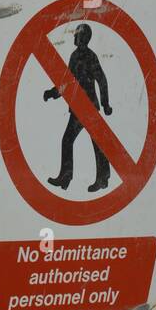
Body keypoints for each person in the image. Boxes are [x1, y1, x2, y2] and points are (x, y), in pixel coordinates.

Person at [43, 23, 112, 192]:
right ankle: (70, 177)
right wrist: (53, 93)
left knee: (92, 142)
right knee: (81, 141)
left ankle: (99, 178)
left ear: (82, 37)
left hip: (87, 107)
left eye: (76, 35)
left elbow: (101, 80)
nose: (74, 37)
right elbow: (66, 81)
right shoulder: (75, 56)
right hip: (79, 107)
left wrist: (105, 103)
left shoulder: (89, 56)